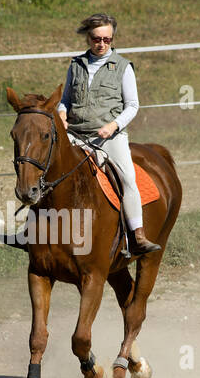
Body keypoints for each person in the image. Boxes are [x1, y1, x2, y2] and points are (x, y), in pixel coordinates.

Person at [57, 13, 161, 257]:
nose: (101, 44)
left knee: (128, 180)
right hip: (75, 134)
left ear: (112, 39)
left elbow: (132, 106)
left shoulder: (123, 67)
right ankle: (30, 231)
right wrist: (61, 114)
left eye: (107, 39)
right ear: (88, 38)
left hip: (109, 138)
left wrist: (113, 126)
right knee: (44, 170)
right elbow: (65, 100)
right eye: (96, 39)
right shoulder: (76, 65)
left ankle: (136, 234)